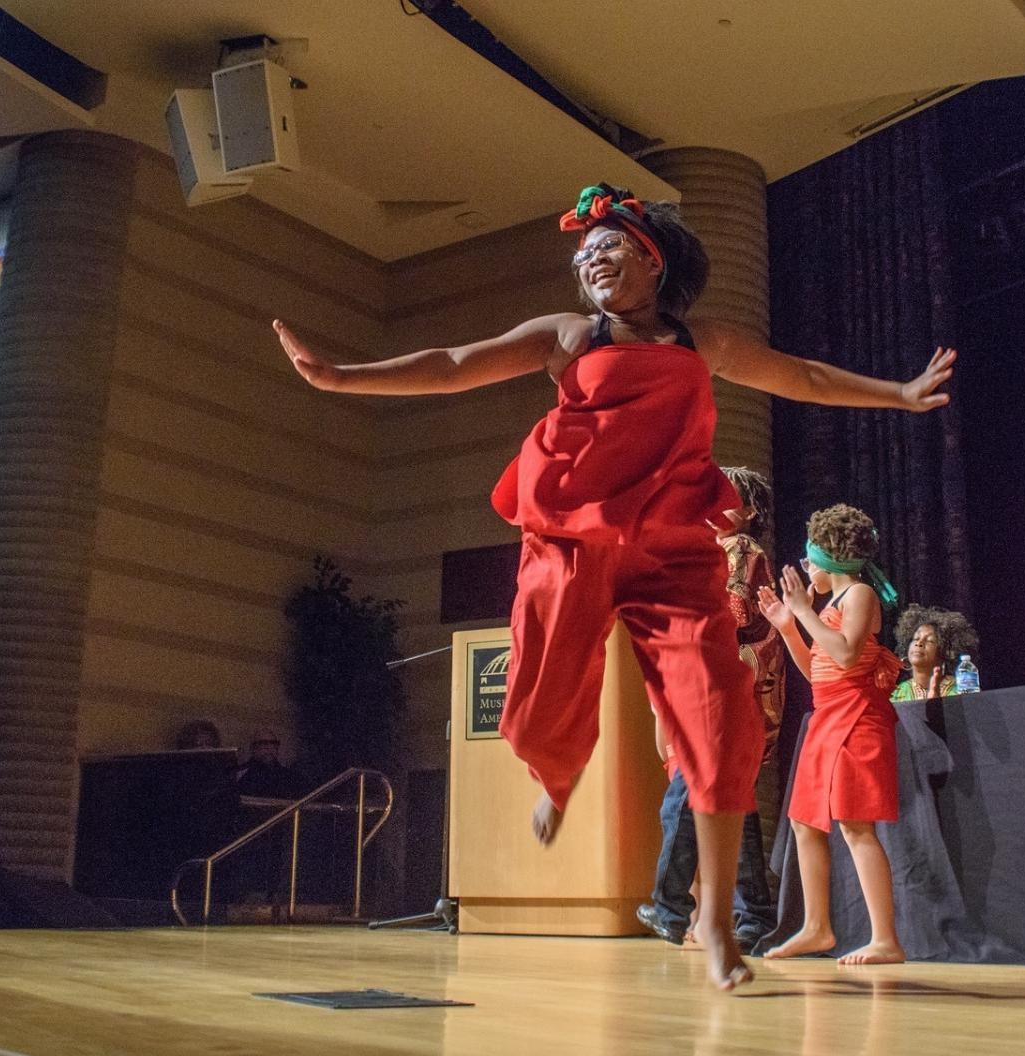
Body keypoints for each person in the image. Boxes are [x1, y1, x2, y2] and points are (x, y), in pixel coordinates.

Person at [275, 183, 956, 989]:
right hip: (574, 540)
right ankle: (555, 779)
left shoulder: (698, 343)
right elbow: (455, 364)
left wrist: (898, 394)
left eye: (609, 248)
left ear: (652, 261)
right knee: (535, 704)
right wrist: (342, 378)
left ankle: (712, 919)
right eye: (583, 253)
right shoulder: (566, 334)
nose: (591, 260)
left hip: (670, 549)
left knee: (720, 720)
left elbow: (799, 375)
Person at [637, 467, 781, 951]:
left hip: (725, 690)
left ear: (750, 511)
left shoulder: (739, 549)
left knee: (686, 797)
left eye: (727, 496)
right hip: (723, 688)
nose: (713, 502)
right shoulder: (721, 549)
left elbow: (732, 613)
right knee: (728, 803)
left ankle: (672, 907)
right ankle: (753, 915)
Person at [760, 504, 908, 965]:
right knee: (805, 822)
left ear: (827, 559)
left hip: (858, 717)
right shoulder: (828, 606)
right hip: (828, 716)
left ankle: (885, 939)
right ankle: (816, 927)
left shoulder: (860, 595)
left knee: (855, 825)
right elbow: (818, 671)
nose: (807, 570)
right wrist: (789, 627)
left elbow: (846, 657)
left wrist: (803, 612)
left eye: (809, 561)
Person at [889, 606, 979, 702]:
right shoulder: (898, 693)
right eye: (915, 638)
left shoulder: (961, 689)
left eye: (930, 641)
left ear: (944, 652)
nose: (919, 643)